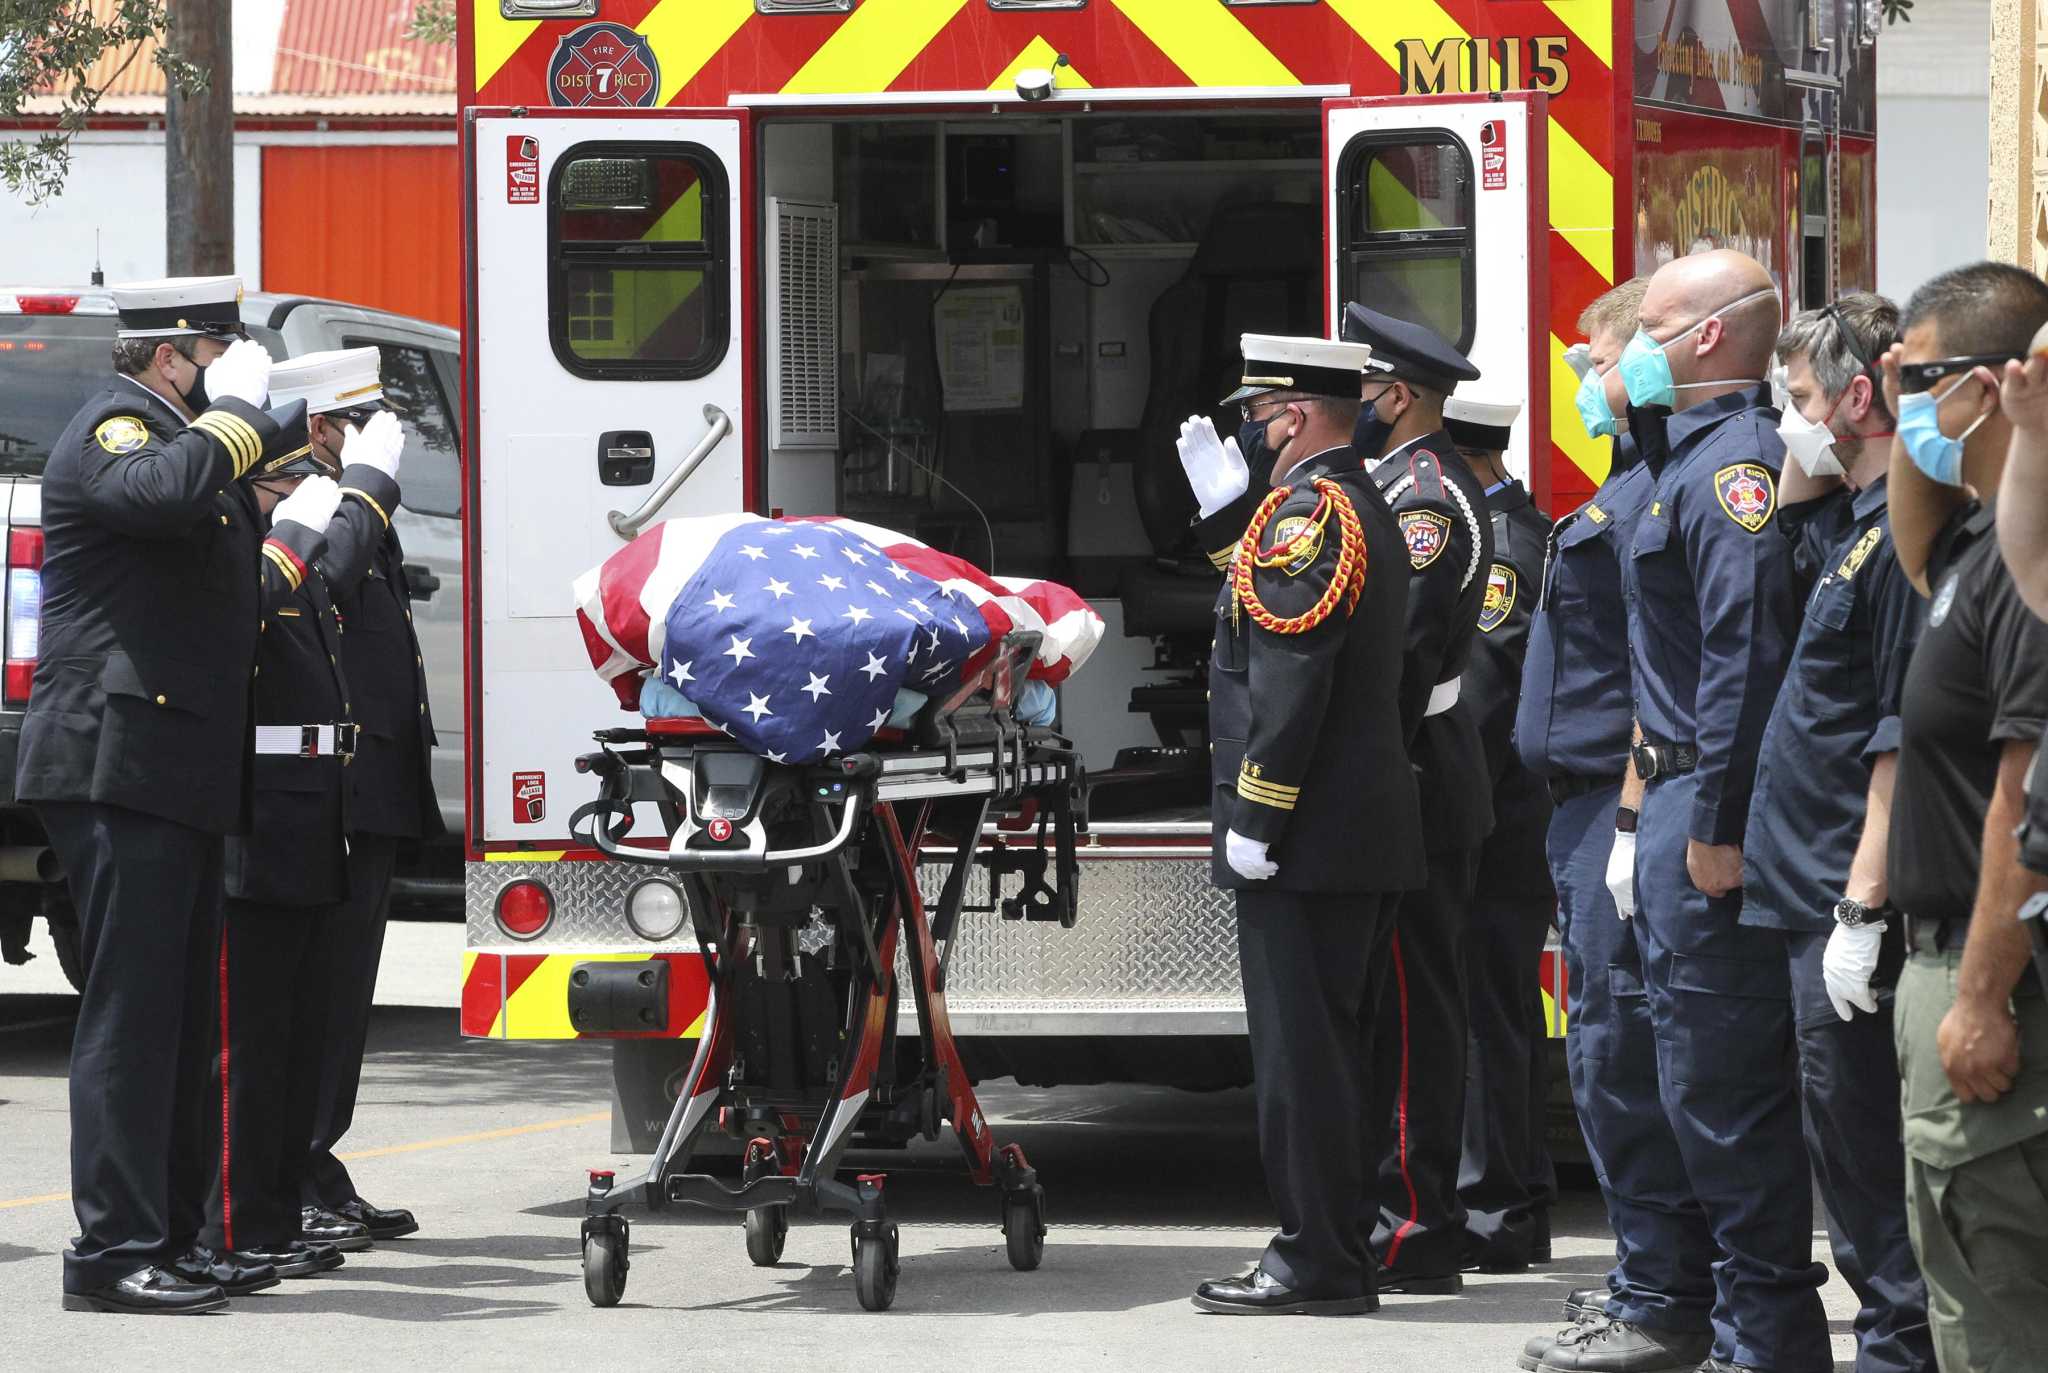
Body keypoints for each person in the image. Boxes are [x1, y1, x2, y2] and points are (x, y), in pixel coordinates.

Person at [17, 276, 341, 1314]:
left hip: (178, 767)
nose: (228, 371)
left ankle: (176, 1232)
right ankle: (111, 1250)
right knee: (135, 1013)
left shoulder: (186, 446)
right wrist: (242, 418)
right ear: (172, 356)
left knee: (184, 1017)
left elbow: (229, 583)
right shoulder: (116, 429)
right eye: (218, 352)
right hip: (119, 761)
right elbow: (155, 495)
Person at [1611, 249, 1828, 1373]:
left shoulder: (1727, 471)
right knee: (1687, 1084)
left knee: (1725, 1089)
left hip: (1709, 800)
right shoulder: (1676, 458)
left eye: (1647, 324)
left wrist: (1714, 827)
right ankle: (1745, 1328)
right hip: (1673, 791)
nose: (1628, 345)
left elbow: (1741, 664)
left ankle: (1766, 1338)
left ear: (1703, 341)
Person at [1179, 333, 1423, 1314]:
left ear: (1293, 415)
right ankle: (1333, 1248)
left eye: (1258, 411)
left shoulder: (1311, 512)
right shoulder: (1342, 506)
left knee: (1303, 1063)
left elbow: (1288, 676)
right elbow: (1272, 601)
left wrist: (1255, 812)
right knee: (1336, 1054)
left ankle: (1312, 1260)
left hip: (1306, 841)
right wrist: (1226, 513)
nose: (1250, 426)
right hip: (1351, 835)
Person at [1516, 276, 1718, 1373]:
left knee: (1617, 1056)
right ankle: (1659, 1275)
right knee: (1614, 1054)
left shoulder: (1664, 486)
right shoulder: (1628, 479)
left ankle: (1661, 1294)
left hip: (1620, 799)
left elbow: (1666, 669)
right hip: (1584, 805)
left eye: (1595, 361)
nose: (1587, 383)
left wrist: (1638, 813)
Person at [1738, 295, 1936, 1373]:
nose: (1787, 423)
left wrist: (1860, 904)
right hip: (1802, 890)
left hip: (1843, 897)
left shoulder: (1901, 539)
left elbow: (1894, 741)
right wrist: (1821, 447)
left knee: (1867, 1158)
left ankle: (1900, 1352)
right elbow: (1786, 512)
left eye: (1804, 400)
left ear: (1859, 395)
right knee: (1841, 1149)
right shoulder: (1849, 526)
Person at [1879, 261, 2048, 1369]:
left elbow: (2020, 793)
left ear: (1989, 387)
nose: (1895, 394)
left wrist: (1981, 992)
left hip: (1991, 971)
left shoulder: (2021, 574)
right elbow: (1908, 540)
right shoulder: (1970, 547)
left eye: (1917, 376)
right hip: (1939, 957)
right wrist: (1911, 406)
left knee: (1988, 1294)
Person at [201, 402, 402, 1275]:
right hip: (262, 818)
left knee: (291, 1033)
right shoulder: (247, 565)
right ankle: (238, 1223)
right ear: (257, 486)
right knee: (249, 1044)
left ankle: (275, 1213)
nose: (302, 499)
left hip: (312, 812)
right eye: (289, 483)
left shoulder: (295, 561)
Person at [1337, 302, 1493, 1294]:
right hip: (1412, 768)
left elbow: (1400, 653)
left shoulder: (1423, 495)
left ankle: (1412, 1227)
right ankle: (1395, 1213)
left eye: (1357, 390)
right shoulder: (1394, 481)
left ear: (1394, 394)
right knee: (1391, 1009)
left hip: (1417, 772)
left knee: (1409, 1011)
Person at [266, 348, 432, 1244]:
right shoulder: (308, 496)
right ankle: (286, 1175)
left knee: (341, 999)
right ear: (322, 426)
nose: (378, 433)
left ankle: (315, 1163)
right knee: (310, 994)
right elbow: (317, 584)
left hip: (370, 781)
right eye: (359, 418)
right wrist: (365, 487)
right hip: (322, 784)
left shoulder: (350, 494)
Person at [1439, 394, 1557, 1274]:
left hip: (1492, 813)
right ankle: (1521, 1199)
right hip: (1511, 811)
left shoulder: (1501, 546)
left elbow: (1479, 698)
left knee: (1485, 1012)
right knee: (1503, 1009)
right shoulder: (1525, 525)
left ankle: (1495, 1210)